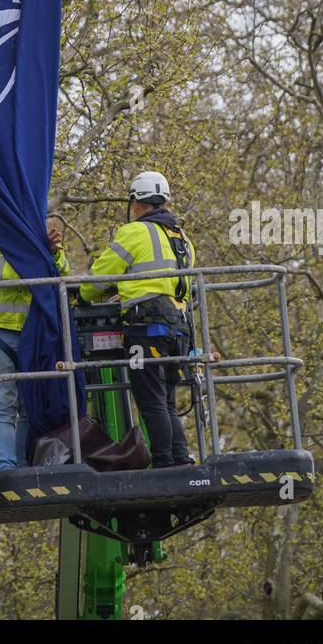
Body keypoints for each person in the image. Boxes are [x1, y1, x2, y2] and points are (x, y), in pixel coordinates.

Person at [79, 172, 196, 469]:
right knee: (166, 399)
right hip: (180, 328)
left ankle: (164, 463)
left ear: (136, 202)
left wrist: (82, 292)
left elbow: (99, 276)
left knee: (151, 400)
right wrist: (127, 291)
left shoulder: (134, 232)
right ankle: (180, 459)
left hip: (147, 327)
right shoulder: (183, 239)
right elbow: (161, 283)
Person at [0, 216, 69, 470]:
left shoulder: (32, 236)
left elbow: (62, 271)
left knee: (30, 407)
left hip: (30, 333)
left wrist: (50, 252)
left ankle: (21, 467)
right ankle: (5, 467)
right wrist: (35, 257)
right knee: (1, 404)